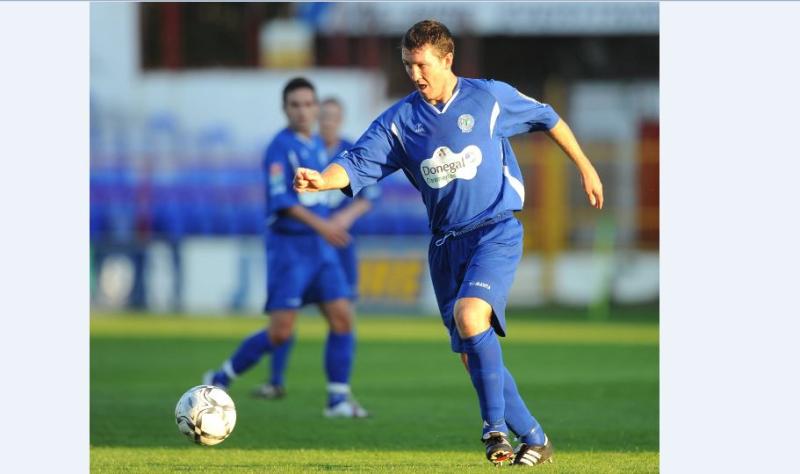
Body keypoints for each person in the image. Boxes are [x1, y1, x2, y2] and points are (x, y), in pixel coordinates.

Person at [293, 20, 603, 466]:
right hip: (444, 246)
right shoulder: (401, 121)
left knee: (470, 314)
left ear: (447, 60)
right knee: (470, 350)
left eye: (421, 64)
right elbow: (358, 163)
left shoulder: (488, 97)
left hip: (494, 229)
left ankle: (493, 430)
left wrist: (586, 167)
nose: (414, 74)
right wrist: (323, 179)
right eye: (407, 65)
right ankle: (535, 437)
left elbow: (548, 117)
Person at [204, 77, 368, 418]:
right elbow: (283, 201)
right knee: (280, 333)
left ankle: (337, 400)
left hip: (320, 250)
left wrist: (332, 224)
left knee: (342, 319)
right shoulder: (280, 147)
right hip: (290, 249)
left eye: (309, 104)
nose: (304, 110)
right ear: (285, 109)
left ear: (317, 107)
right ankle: (220, 377)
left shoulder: (320, 147)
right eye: (296, 104)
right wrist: (325, 225)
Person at [251, 97, 378, 400]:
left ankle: (339, 392)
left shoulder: (351, 150)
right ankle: (276, 379)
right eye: (325, 116)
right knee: (287, 315)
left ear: (342, 119)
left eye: (335, 117)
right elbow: (284, 195)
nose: (329, 122)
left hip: (339, 243)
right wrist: (321, 224)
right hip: (305, 243)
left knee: (343, 314)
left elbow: (369, 195)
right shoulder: (307, 150)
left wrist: (343, 218)